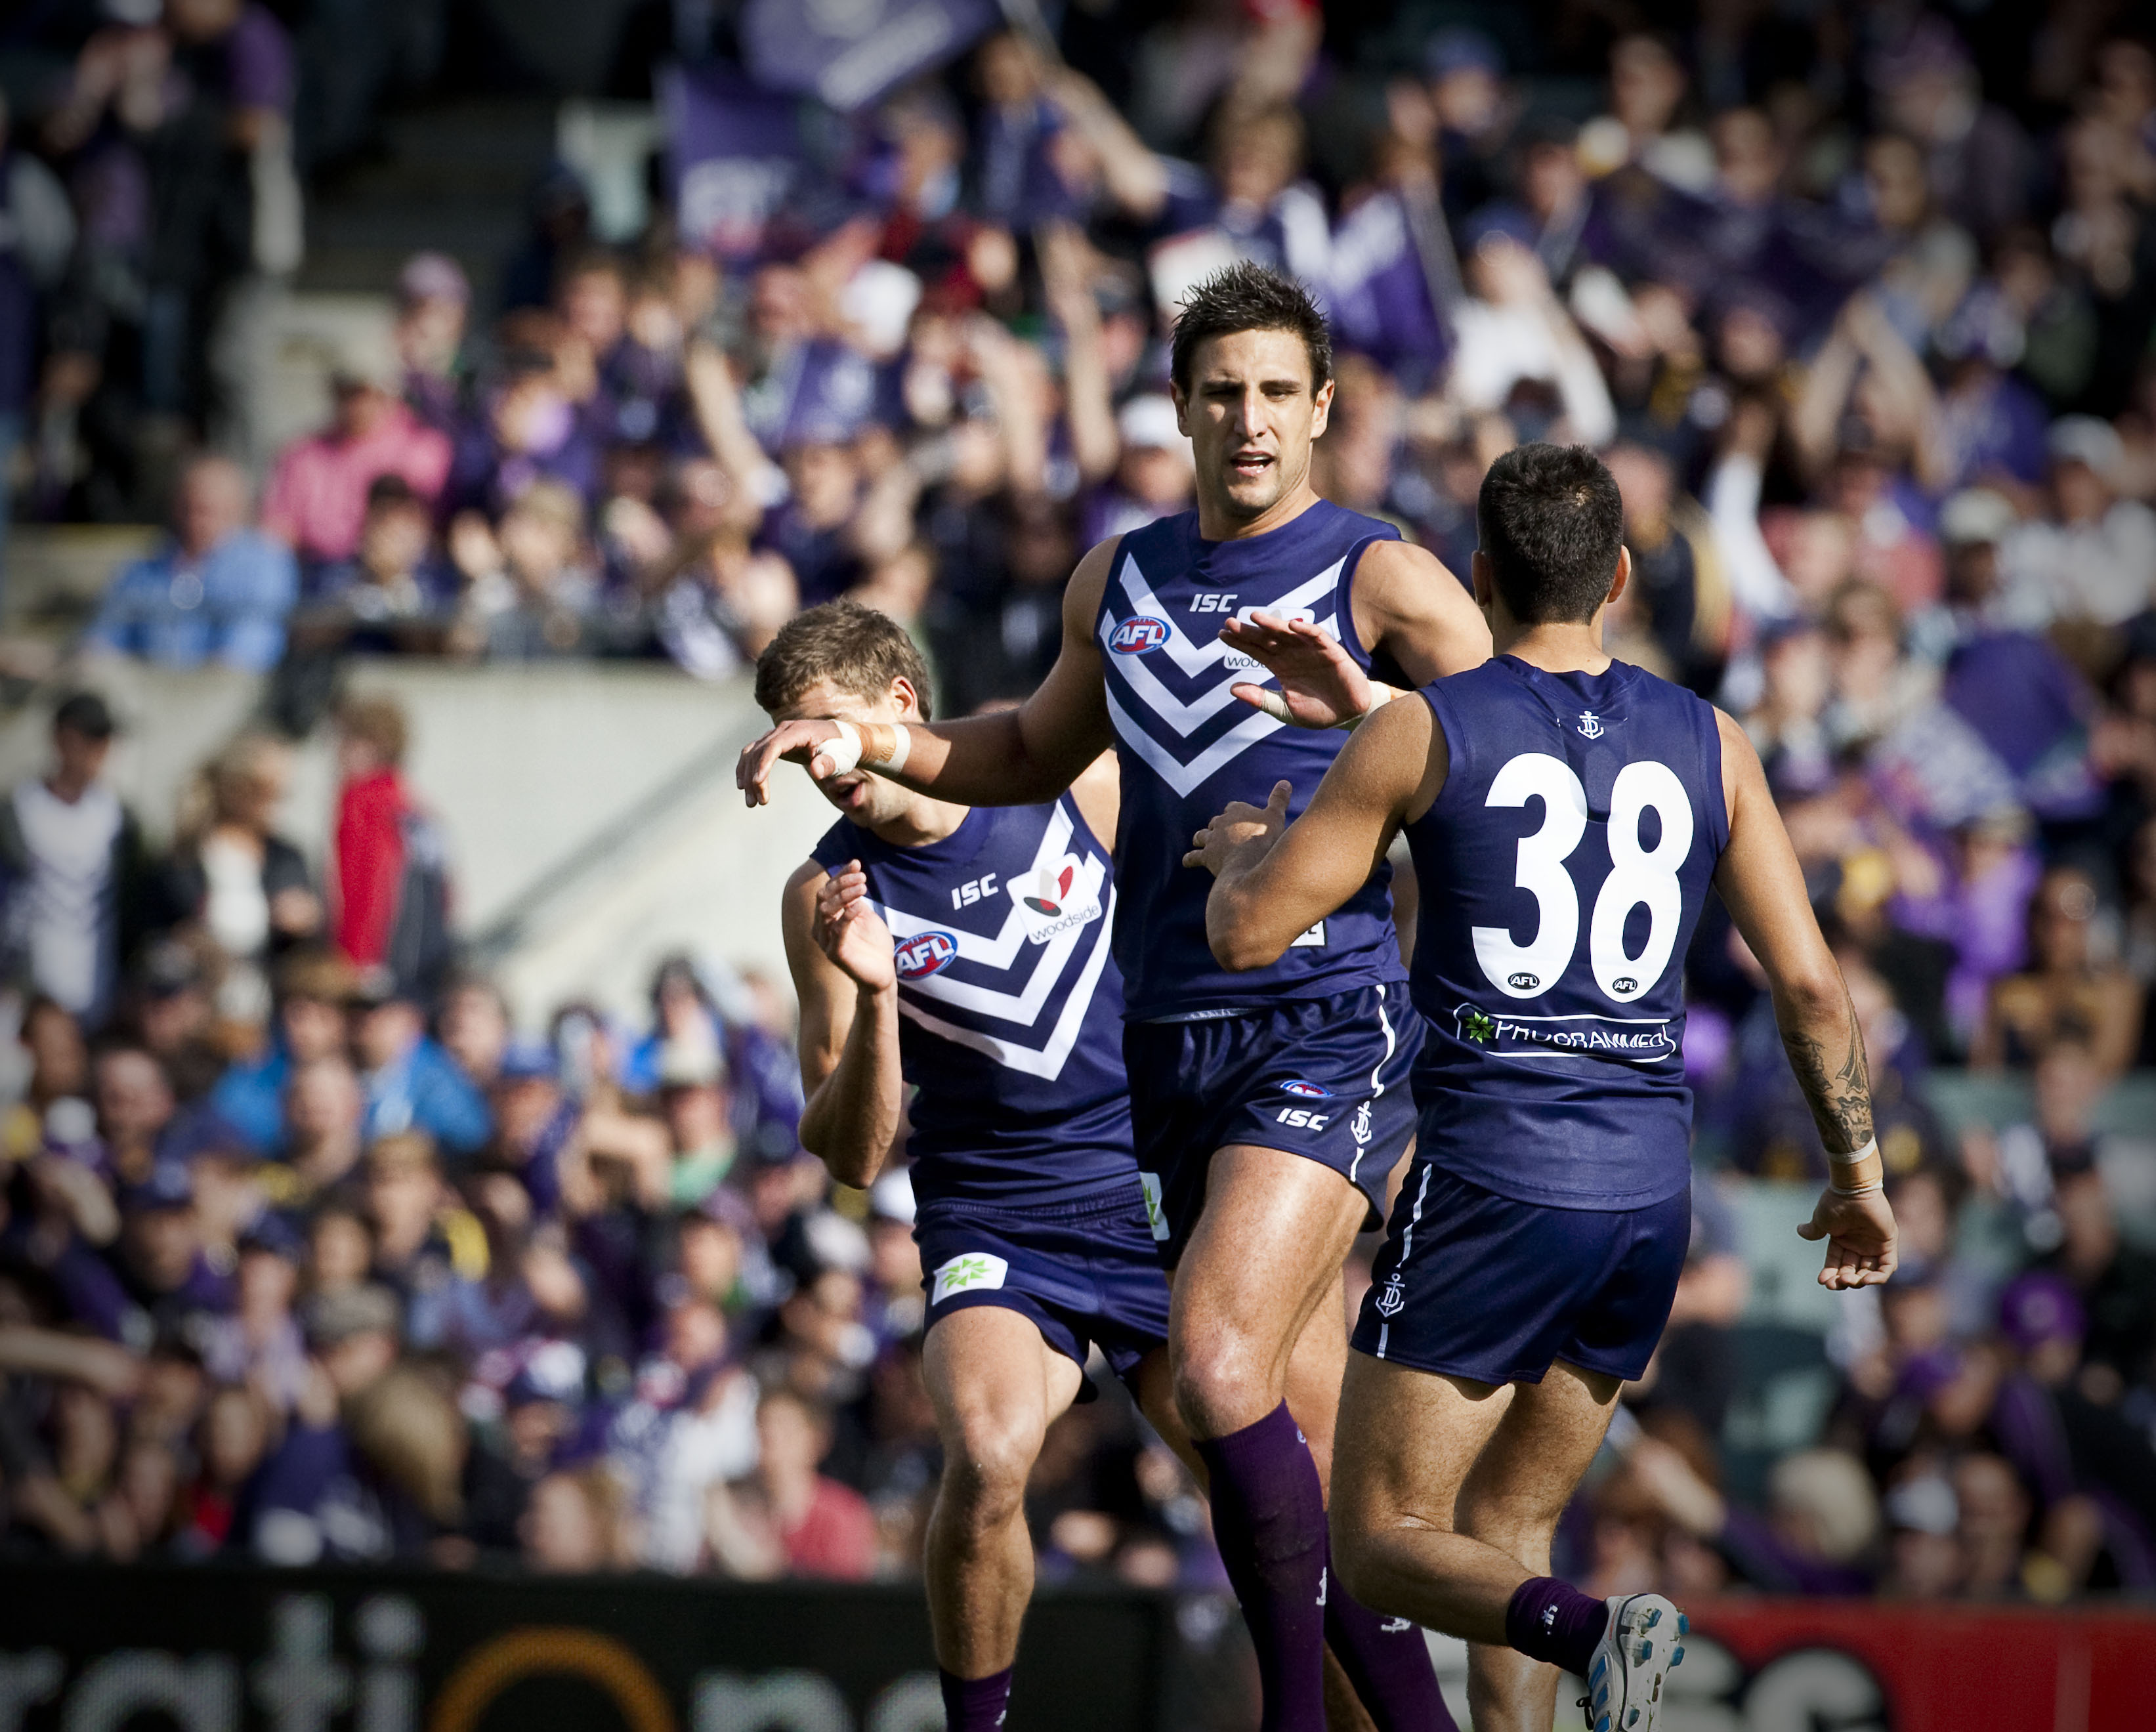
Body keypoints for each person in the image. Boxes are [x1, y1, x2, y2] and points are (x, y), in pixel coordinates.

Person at [742, 263, 1488, 1732]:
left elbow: (1512, 768)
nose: (1251, 419)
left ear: (1324, 408)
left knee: (1237, 1389)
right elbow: (1018, 740)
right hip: (1160, 1069)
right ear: (1179, 408)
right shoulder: (1120, 578)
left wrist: (1371, 722)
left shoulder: (1383, 572)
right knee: (1281, 1465)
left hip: (1321, 1019)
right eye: (1222, 392)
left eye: (1278, 391)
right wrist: (852, 745)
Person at [1184, 442, 1899, 1732]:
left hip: (1491, 1182)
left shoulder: (1420, 724)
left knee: (1382, 1539)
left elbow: (1247, 931)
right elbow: (1808, 987)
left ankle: (1594, 1625)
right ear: (1619, 575)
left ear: (1476, 574)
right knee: (1509, 1519)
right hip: (1645, 1195)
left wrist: (1246, 849)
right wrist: (1857, 1175)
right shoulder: (1711, 737)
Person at [757, 601, 1187, 1729]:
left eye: (826, 729)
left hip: (1153, 1178)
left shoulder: (1064, 778)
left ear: (901, 705)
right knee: (991, 1456)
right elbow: (850, 1148)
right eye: (792, 744)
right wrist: (882, 989)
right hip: (994, 1209)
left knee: (1257, 1477)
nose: (816, 762)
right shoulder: (824, 895)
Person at [0, 692, 152, 1026]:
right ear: (60, 739)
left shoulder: (119, 819)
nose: (100, 751)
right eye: (90, 738)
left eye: (105, 741)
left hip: (97, 995)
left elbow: (132, 901)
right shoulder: (18, 810)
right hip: (24, 996)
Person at [81, 456, 299, 672]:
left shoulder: (264, 566)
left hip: (221, 694)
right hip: (144, 690)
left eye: (205, 510)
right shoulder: (147, 566)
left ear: (237, 509)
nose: (193, 520)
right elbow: (103, 638)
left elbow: (246, 653)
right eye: (186, 507)